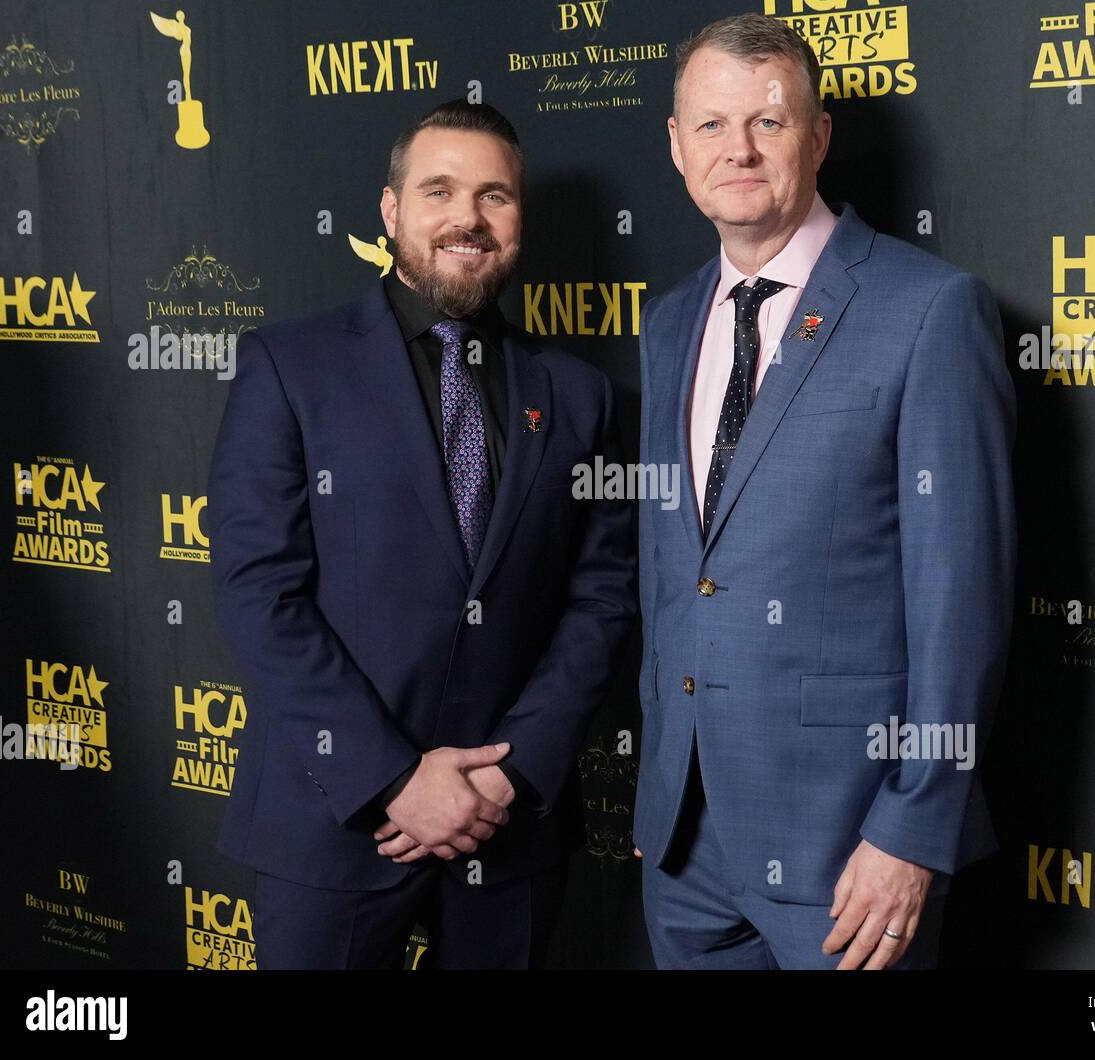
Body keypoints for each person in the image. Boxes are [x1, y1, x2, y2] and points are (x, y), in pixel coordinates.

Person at [208, 99, 636, 969]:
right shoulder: (289, 365)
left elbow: (604, 598)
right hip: (332, 823)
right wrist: (395, 780)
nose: (466, 219)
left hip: (509, 826)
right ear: (391, 210)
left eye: (494, 196)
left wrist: (504, 777)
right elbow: (261, 592)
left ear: (519, 219)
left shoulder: (580, 395)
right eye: (437, 190)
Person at [633, 13, 1017, 970]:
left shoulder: (928, 309)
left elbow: (959, 599)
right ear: (677, 147)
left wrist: (914, 829)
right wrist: (655, 791)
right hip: (685, 847)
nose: (740, 149)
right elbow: (672, 570)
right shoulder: (670, 321)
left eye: (768, 121)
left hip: (851, 852)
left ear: (819, 135)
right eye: (712, 125)